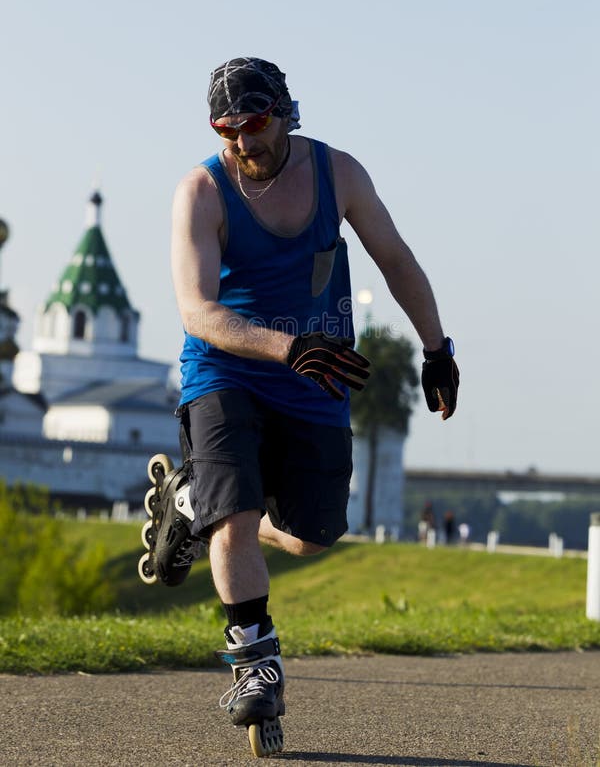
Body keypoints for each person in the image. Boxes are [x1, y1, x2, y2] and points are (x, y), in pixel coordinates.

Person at [142, 56, 459, 757]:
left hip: (316, 378)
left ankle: (193, 503)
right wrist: (286, 348)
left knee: (314, 536)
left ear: (286, 113)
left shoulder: (337, 173)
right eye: (227, 130)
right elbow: (196, 311)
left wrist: (436, 350)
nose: (243, 143)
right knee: (238, 514)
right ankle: (255, 664)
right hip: (228, 371)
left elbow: (396, 260)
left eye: (254, 124)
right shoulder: (201, 189)